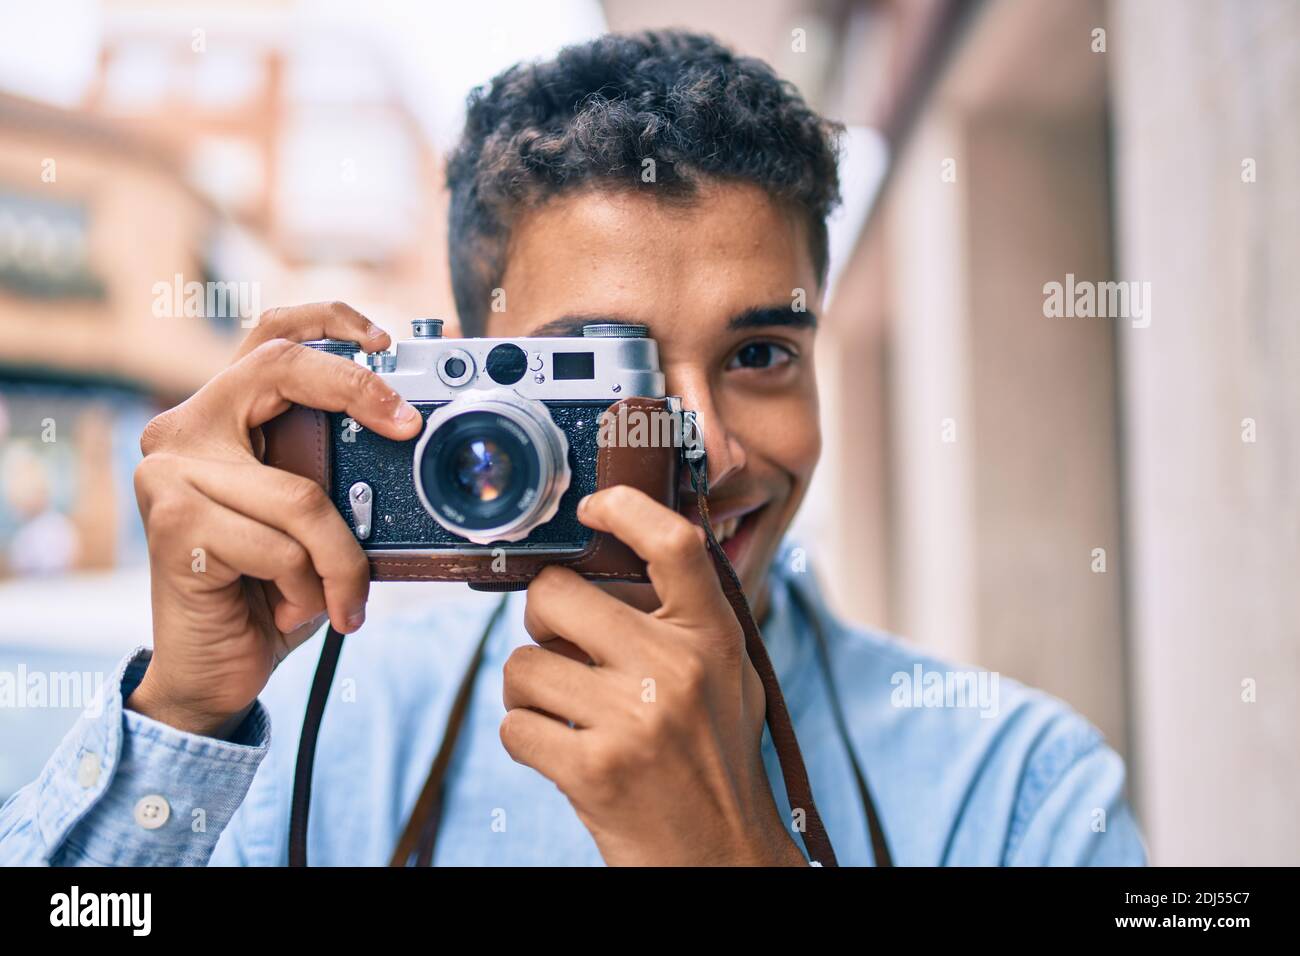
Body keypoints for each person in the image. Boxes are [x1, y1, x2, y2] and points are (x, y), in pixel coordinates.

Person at [0, 30, 1144, 866]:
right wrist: (183, 715)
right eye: (599, 368)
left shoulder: (1017, 788)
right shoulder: (314, 742)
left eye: (759, 353)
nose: (694, 447)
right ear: (458, 389)